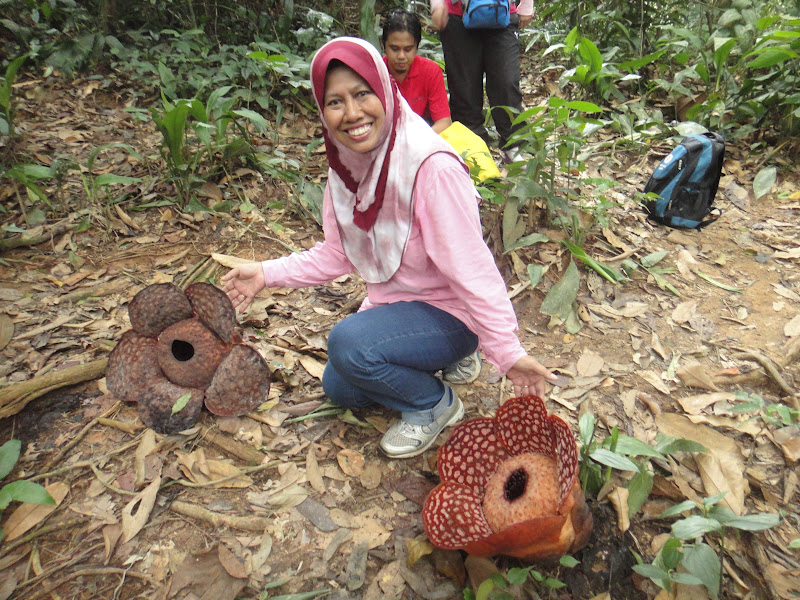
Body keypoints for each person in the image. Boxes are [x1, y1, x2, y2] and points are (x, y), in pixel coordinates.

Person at [221, 37, 555, 459]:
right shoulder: (345, 166)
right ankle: (436, 363)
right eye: (336, 102)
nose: (353, 113)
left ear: (384, 91)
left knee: (350, 344)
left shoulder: (429, 167)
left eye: (363, 94)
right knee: (340, 387)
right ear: (322, 111)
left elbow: (473, 271)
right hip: (399, 308)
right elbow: (337, 253)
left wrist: (508, 354)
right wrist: (266, 273)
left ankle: (434, 403)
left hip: (453, 313)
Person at [430, 0, 533, 163]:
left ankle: (513, 146)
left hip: (502, 11)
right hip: (457, 14)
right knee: (464, 88)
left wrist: (527, 4)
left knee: (506, 81)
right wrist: (437, 4)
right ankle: (474, 153)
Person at [381, 9, 452, 133]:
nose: (401, 56)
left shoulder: (431, 71)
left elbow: (444, 122)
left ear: (417, 46)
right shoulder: (375, 71)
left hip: (421, 134)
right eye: (395, 48)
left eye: (408, 49)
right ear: (383, 45)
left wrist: (416, 144)